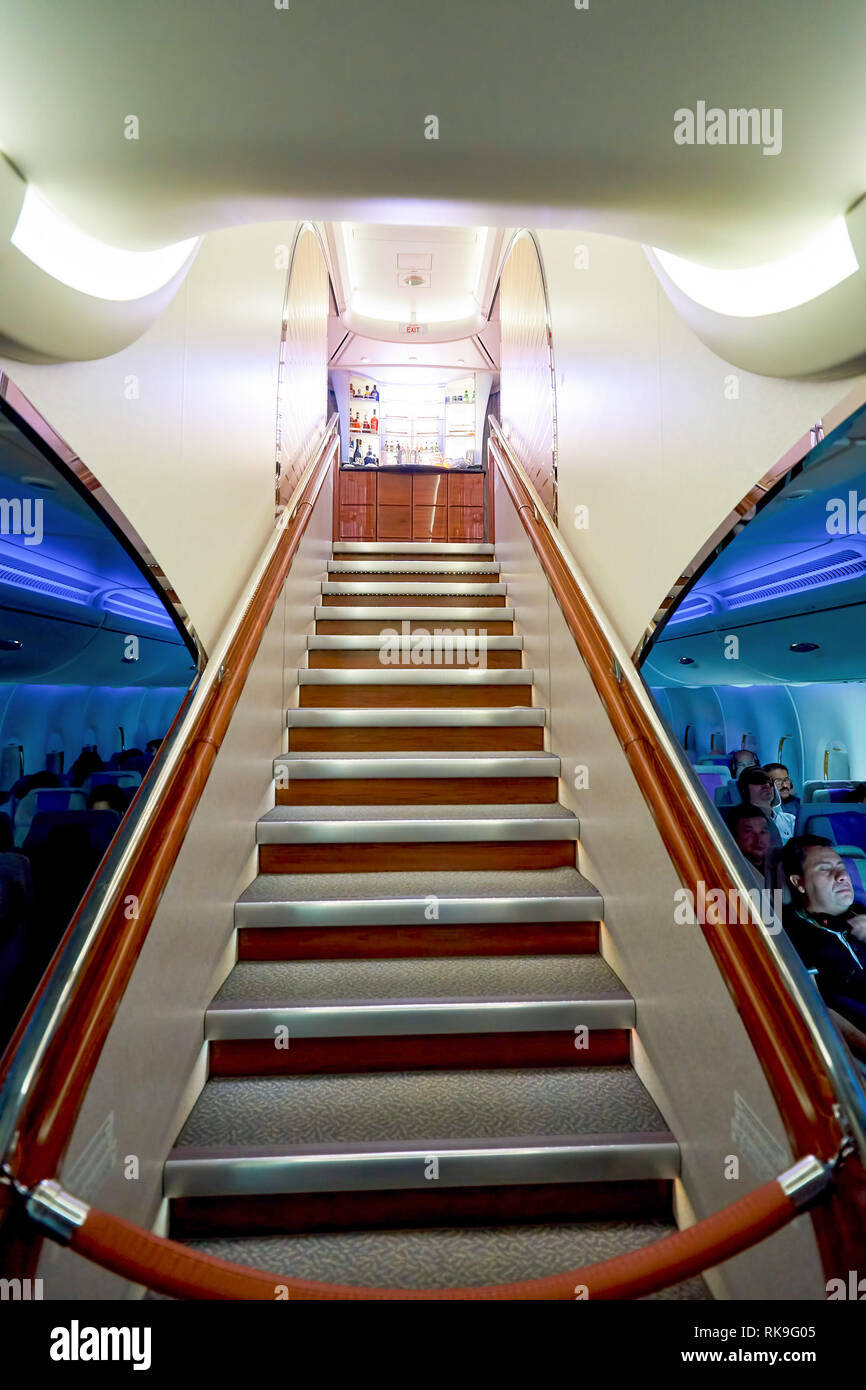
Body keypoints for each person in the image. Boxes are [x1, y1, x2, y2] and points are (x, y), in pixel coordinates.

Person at [782, 835, 866, 1063]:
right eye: (824, 869)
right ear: (799, 883)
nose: (841, 876)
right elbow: (817, 1007)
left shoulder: (860, 912)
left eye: (841, 867)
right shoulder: (790, 933)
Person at [735, 766, 795, 844]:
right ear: (744, 790)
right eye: (758, 781)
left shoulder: (790, 820)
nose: (766, 785)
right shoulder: (741, 824)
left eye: (769, 783)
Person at [727, 805, 779, 892]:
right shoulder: (728, 873)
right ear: (734, 836)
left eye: (763, 832)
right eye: (749, 832)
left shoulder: (780, 870)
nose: (758, 839)